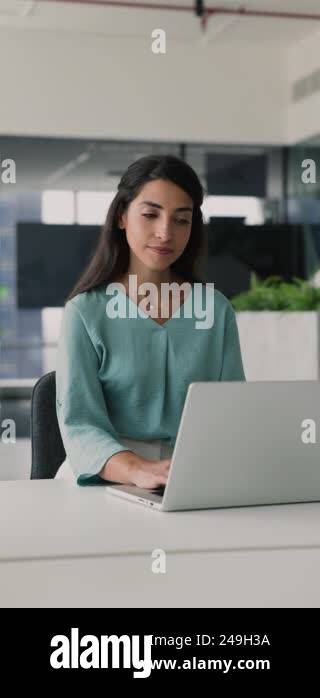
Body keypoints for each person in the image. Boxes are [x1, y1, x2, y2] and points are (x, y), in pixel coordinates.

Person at [55, 154, 246, 487]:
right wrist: (136, 469)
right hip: (107, 476)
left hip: (192, 475)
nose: (165, 232)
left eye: (181, 220)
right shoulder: (85, 312)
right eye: (150, 214)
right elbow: (81, 425)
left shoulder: (216, 310)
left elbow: (231, 413)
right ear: (121, 217)